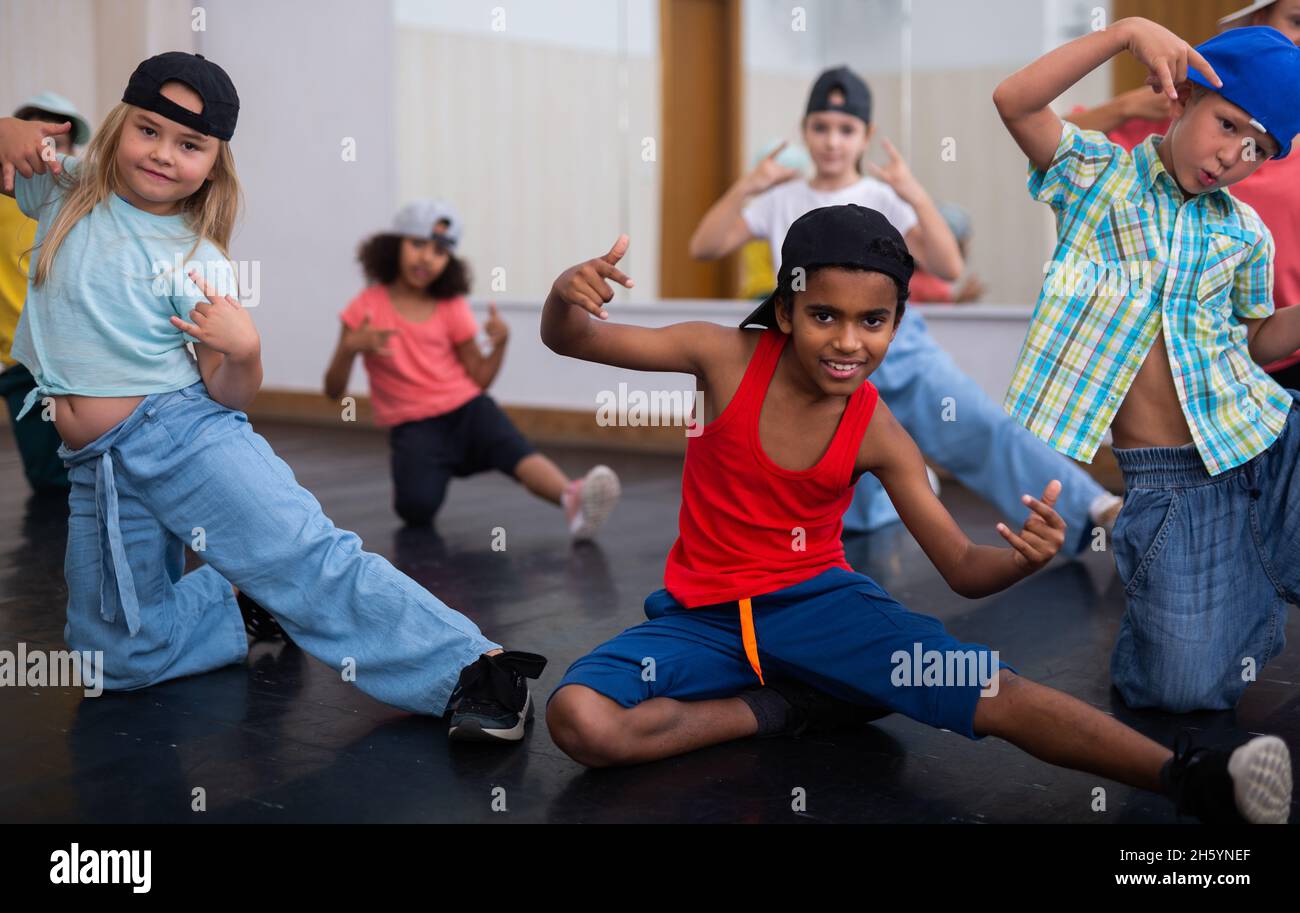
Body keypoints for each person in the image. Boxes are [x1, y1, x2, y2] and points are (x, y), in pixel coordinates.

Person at [540, 207, 1291, 823]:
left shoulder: (876, 429)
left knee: (995, 691)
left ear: (898, 324)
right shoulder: (720, 356)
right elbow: (575, 337)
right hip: (700, 616)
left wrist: (1022, 557)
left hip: (821, 609)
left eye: (874, 321)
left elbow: (962, 569)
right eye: (823, 315)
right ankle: (790, 707)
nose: (847, 340)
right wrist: (566, 295)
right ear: (785, 310)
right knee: (580, 718)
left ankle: (1188, 772)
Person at [0, 51, 547, 743]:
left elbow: (231, 391)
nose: (164, 154)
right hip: (97, 467)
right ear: (117, 127)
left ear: (214, 161)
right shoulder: (64, 191)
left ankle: (476, 669)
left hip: (185, 435)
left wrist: (245, 348)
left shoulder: (197, 257)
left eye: (189, 144)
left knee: (306, 556)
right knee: (116, 658)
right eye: (148, 130)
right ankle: (240, 606)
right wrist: (6, 128)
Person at [995, 20, 1300, 712]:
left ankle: (1259, 571)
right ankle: (1247, 587)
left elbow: (1256, 342)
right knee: (1177, 691)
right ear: (1181, 96)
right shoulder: (1097, 176)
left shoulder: (1242, 230)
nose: (1232, 157)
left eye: (1256, 150)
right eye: (1226, 125)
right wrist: (1126, 34)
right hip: (1173, 484)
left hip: (1267, 437)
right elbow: (1014, 100)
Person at [689, 65, 1122, 549]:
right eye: (821, 128)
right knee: (847, 484)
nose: (832, 141)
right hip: (816, 356)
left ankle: (1094, 508)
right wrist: (750, 184)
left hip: (897, 345)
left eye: (846, 130)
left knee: (980, 424)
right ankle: (894, 486)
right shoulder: (780, 199)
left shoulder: (881, 197)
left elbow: (949, 265)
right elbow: (705, 246)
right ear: (805, 131)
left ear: (866, 136)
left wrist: (911, 190)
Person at [323, 201, 621, 538]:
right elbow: (333, 390)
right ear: (394, 245)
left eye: (439, 251)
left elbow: (479, 378)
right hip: (413, 426)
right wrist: (350, 348)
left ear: (448, 261)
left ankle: (574, 499)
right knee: (414, 511)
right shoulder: (364, 307)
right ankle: (441, 465)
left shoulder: (452, 307)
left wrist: (501, 344)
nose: (426, 258)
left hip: (468, 410)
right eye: (417, 244)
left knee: (517, 452)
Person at [1064, 0, 1300, 390]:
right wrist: (1127, 103)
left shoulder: (1276, 136)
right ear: (1262, 19)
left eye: (1259, 150)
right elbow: (1049, 141)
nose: (1231, 157)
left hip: (1281, 345)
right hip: (1196, 364)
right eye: (1296, 21)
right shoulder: (1188, 114)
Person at [0, 92, 90, 493]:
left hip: (74, 349)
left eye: (59, 140)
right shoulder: (6, 193)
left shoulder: (77, 198)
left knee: (92, 458)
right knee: (48, 476)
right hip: (19, 357)